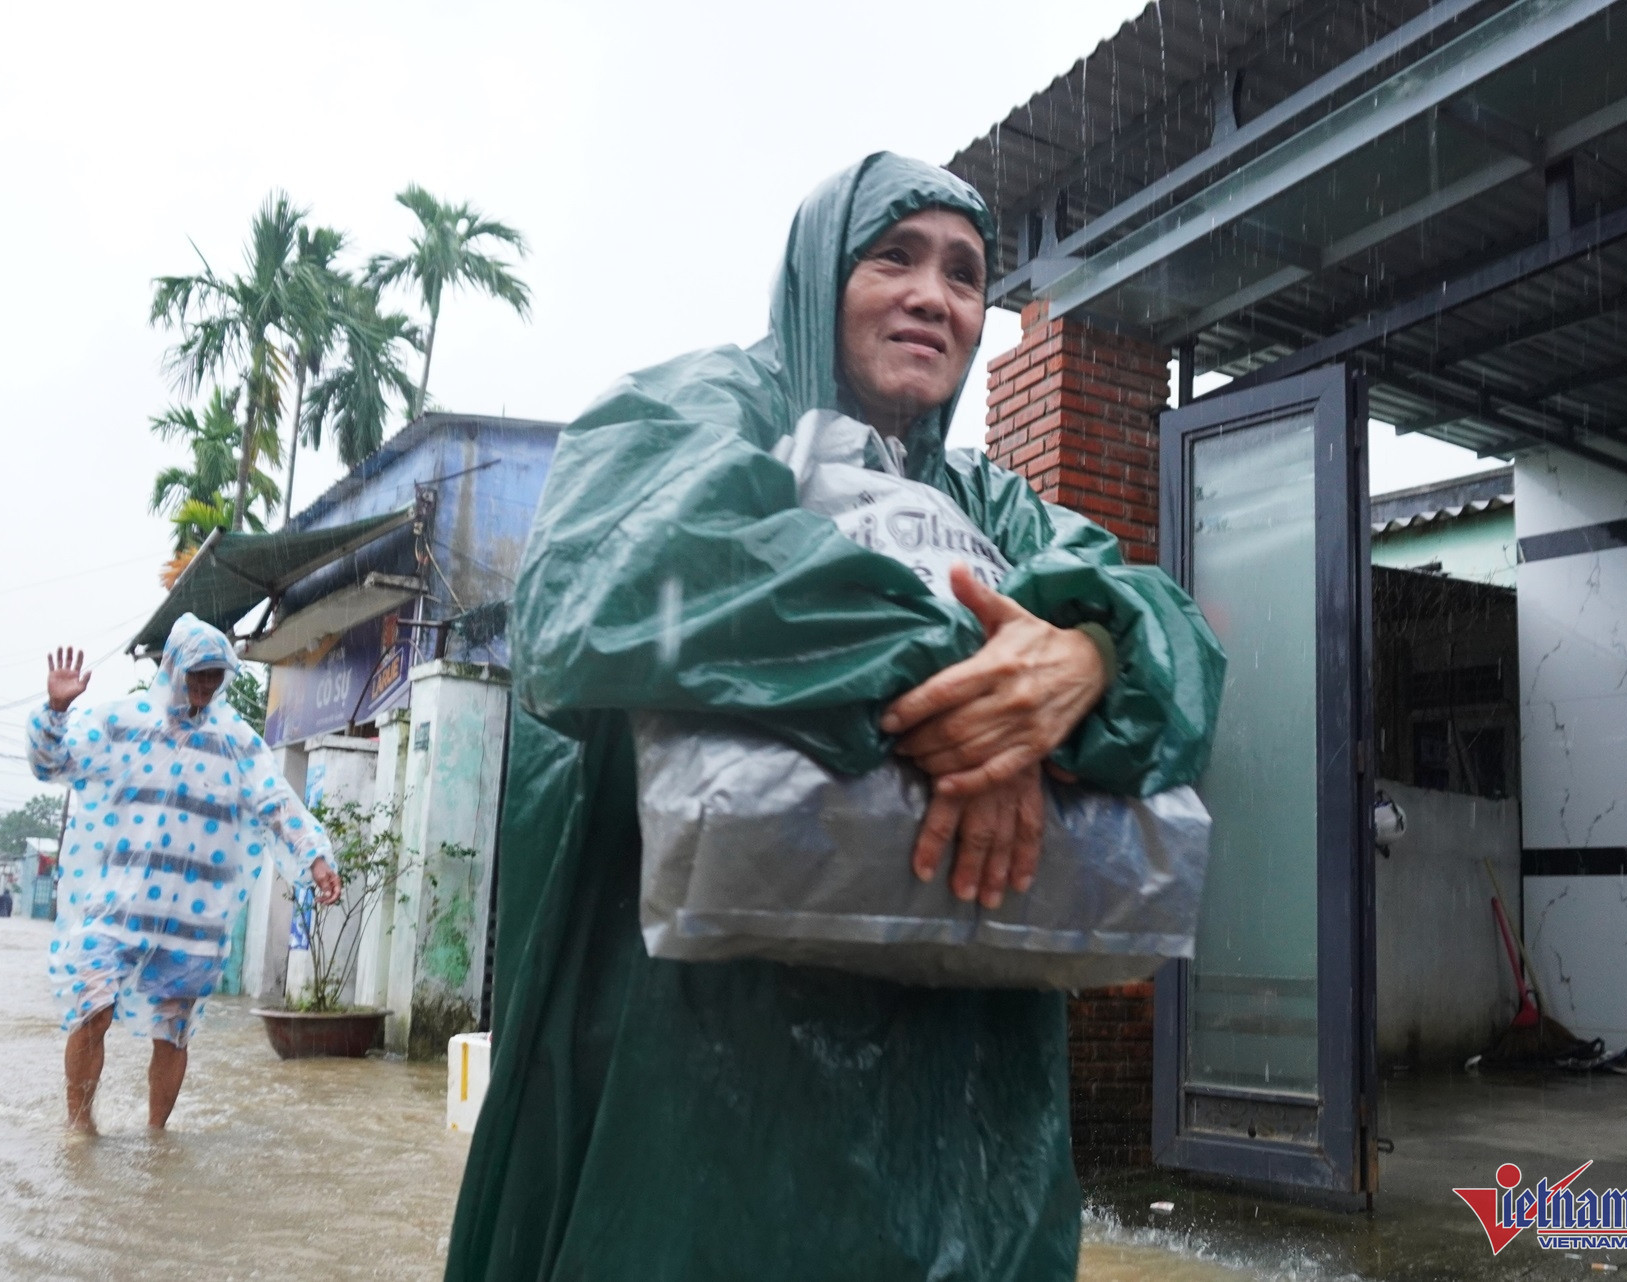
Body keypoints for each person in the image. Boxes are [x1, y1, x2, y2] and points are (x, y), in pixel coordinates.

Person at [444, 154, 1224, 1280]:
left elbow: (1176, 643)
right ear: (818, 276)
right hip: (704, 1105)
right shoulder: (703, 411)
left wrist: (1088, 657)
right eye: (892, 256)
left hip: (970, 1146)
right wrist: (978, 688)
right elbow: (611, 591)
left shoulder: (989, 504)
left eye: (963, 273)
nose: (932, 294)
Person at [27, 612, 342, 1134]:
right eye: (196, 671)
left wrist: (315, 858)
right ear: (172, 665)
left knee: (173, 1032)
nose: (204, 683)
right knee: (92, 1010)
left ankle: (156, 1135)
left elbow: (275, 801)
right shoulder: (121, 723)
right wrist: (56, 711)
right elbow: (51, 764)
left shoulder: (236, 742)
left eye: (215, 674)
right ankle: (79, 1128)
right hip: (117, 908)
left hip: (193, 920)